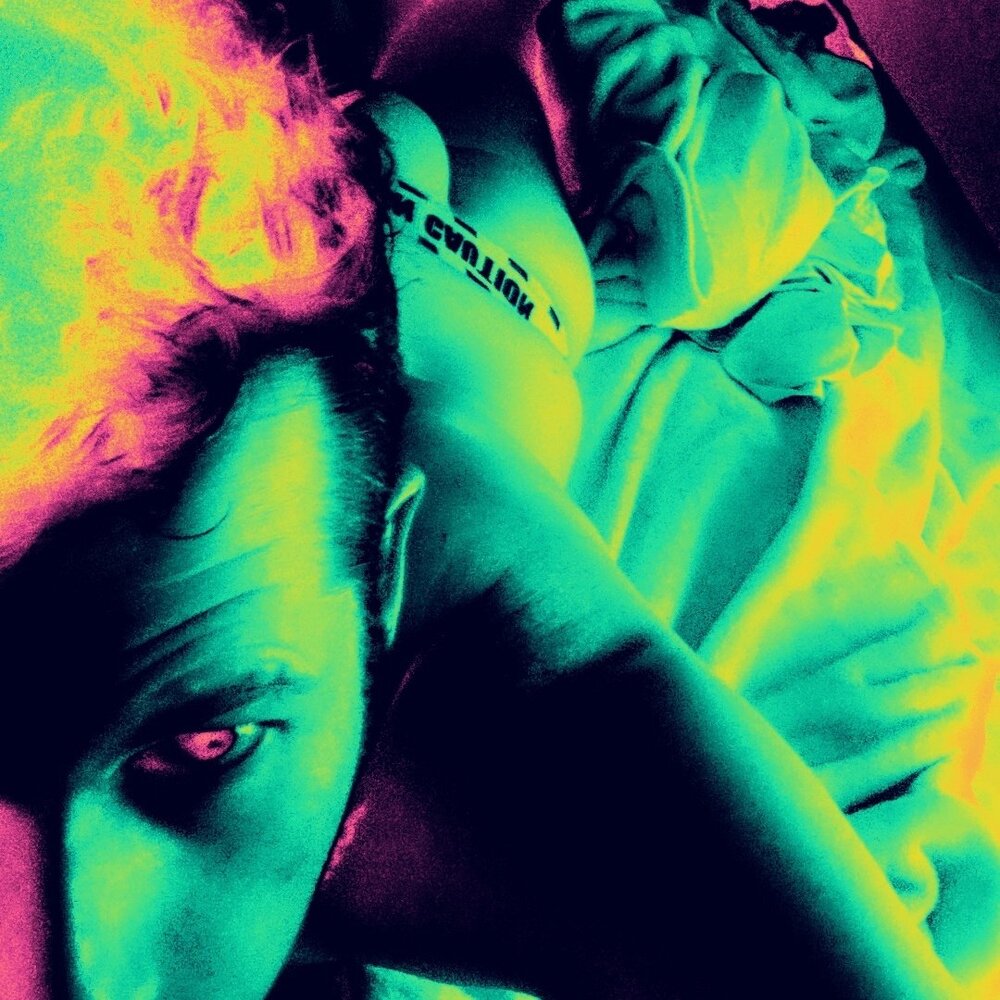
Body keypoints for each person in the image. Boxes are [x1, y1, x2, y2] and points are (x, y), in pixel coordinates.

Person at [0, 1, 978, 998]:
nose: (61, 977)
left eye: (204, 748)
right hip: (375, 228)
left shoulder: (481, 644)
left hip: (490, 258)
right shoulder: (216, 652)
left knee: (473, 67)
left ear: (377, 595)